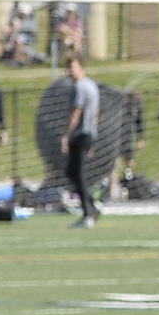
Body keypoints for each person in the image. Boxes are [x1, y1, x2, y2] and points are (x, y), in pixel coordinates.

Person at [59, 58, 101, 228]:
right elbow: (96, 112)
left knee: (79, 173)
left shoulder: (80, 86)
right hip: (88, 134)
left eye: (73, 68)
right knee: (72, 172)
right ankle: (91, 205)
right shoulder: (92, 85)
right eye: (68, 68)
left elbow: (76, 111)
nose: (70, 72)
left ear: (81, 68)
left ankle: (88, 214)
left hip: (81, 134)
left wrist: (66, 135)